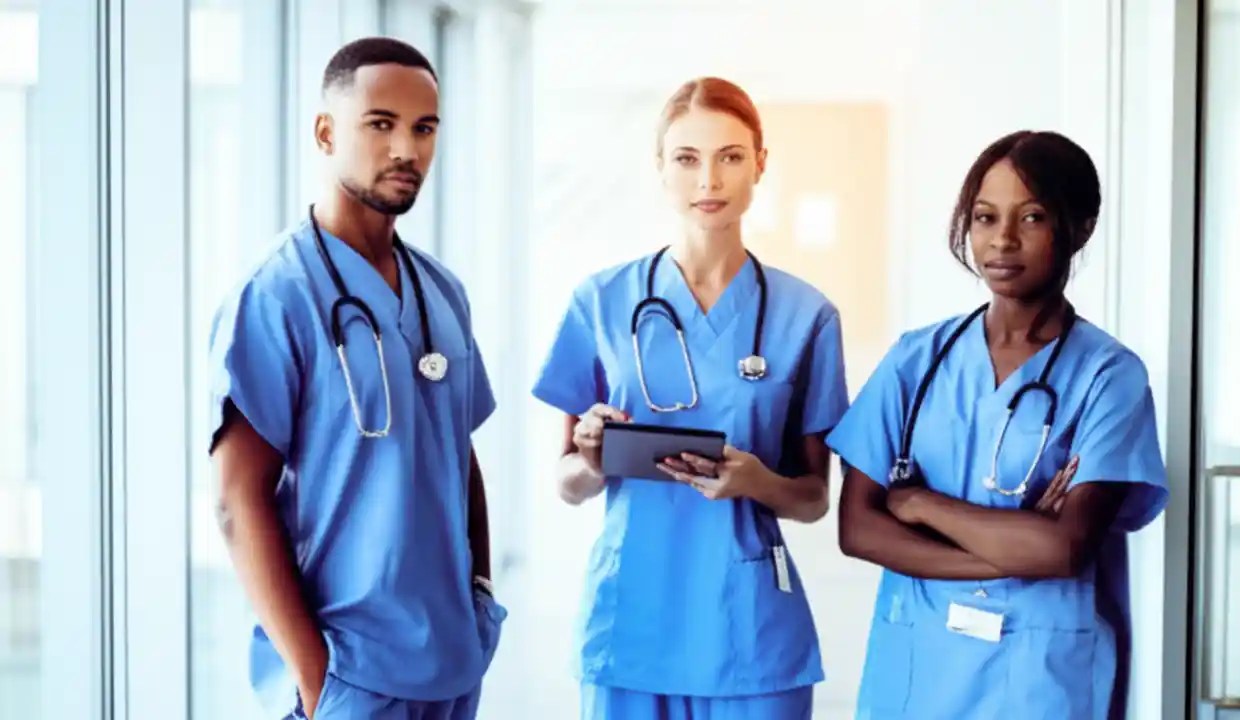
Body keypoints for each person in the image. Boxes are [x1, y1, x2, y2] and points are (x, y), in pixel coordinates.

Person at [531, 77, 849, 720]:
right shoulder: (601, 301)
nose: (709, 179)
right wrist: (591, 458)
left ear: (761, 162)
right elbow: (566, 481)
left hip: (749, 628)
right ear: (661, 168)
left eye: (731, 156)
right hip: (632, 621)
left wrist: (758, 480)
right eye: (687, 158)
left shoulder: (805, 316)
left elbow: (815, 499)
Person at [207, 37, 504, 720]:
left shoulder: (441, 290)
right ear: (325, 131)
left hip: (452, 664)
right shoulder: (278, 294)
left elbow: (458, 452)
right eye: (381, 124)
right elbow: (235, 498)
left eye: (424, 128)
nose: (407, 148)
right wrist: (316, 676)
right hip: (350, 676)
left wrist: (480, 595)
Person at [826, 130, 1168, 719]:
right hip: (917, 670)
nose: (1002, 240)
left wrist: (921, 506)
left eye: (1031, 217)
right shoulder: (917, 359)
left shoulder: (1109, 377)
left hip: (1037, 679)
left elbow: (1063, 549)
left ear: (1079, 227)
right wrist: (1012, 547)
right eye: (985, 217)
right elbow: (858, 528)